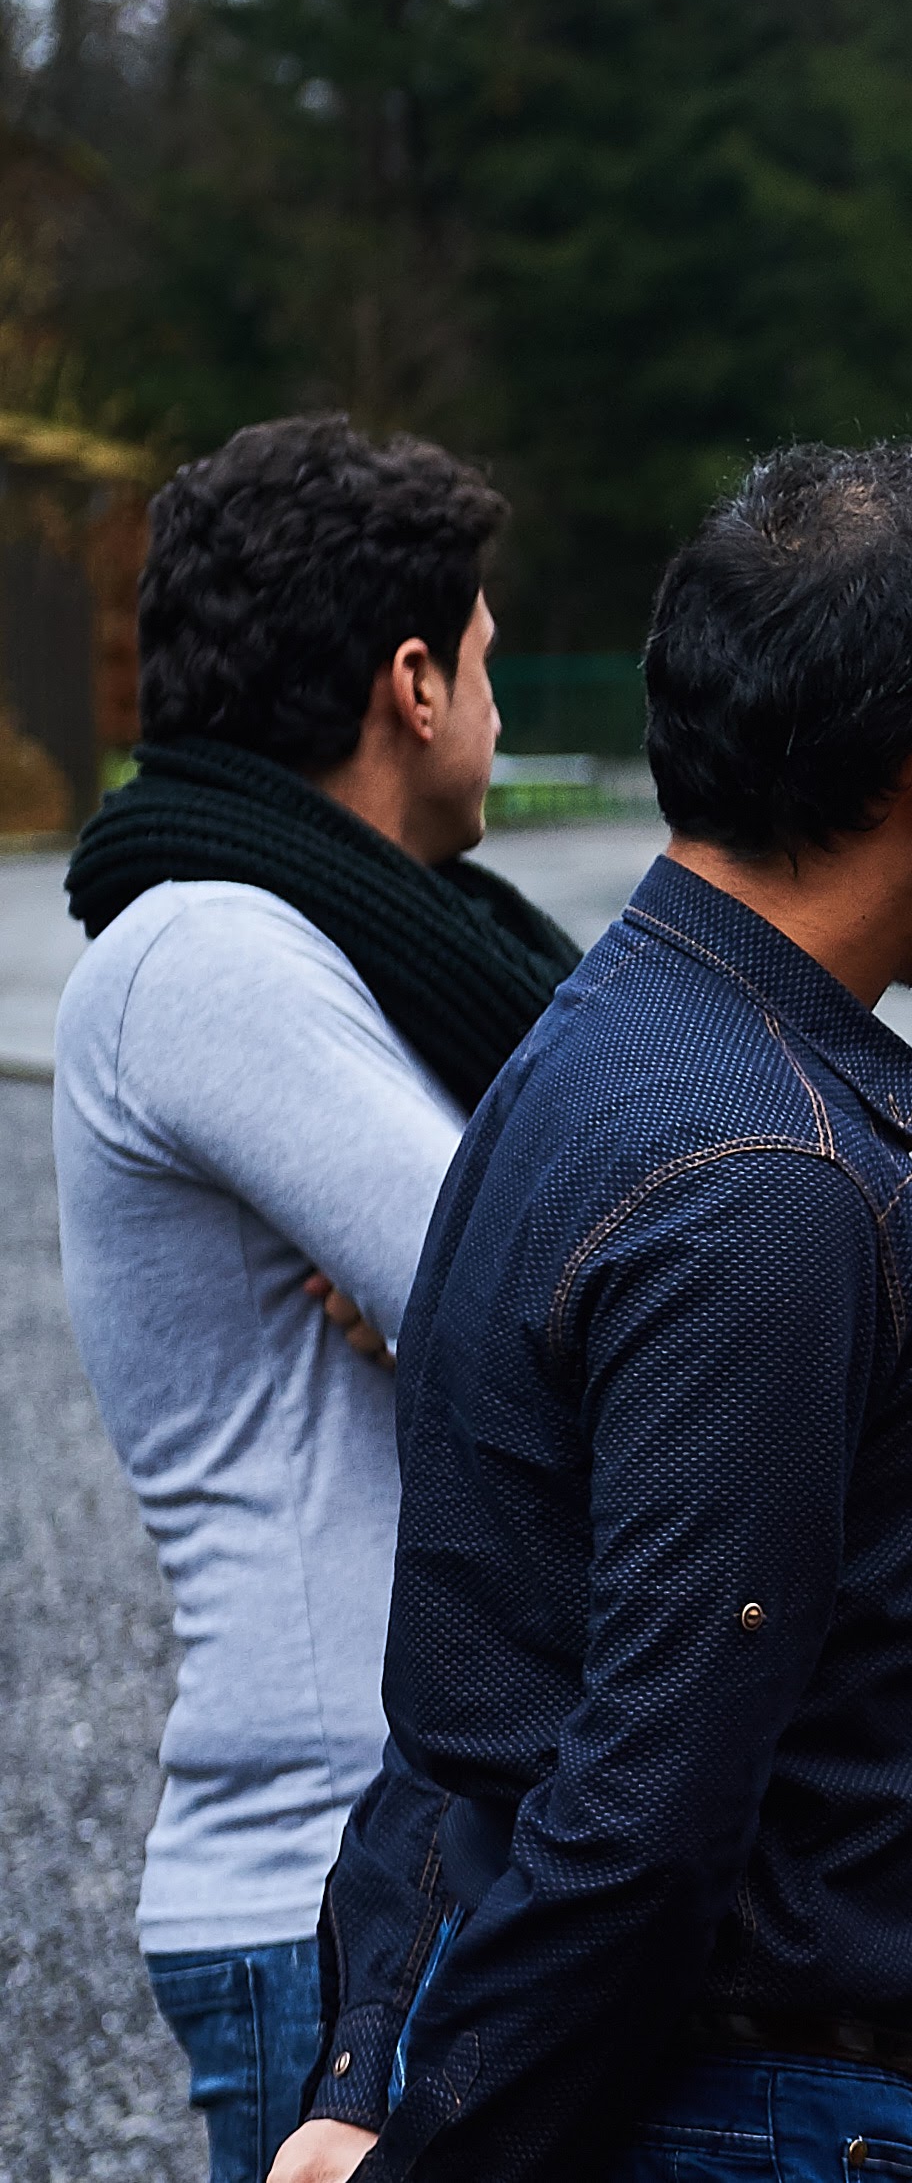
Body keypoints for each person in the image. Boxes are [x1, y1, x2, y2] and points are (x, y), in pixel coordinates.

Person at [276, 443, 912, 2182]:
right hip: (744, 2119)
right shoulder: (769, 1181)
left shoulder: (581, 1053)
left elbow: (481, 1662)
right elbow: (645, 1812)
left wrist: (369, 2065)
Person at [54, 417, 579, 2183]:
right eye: (488, 659)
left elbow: (495, 1272)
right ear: (412, 683)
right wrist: (488, 1262)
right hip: (331, 1898)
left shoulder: (350, 947)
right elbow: (548, 1304)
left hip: (425, 1885)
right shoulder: (206, 951)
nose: (497, 703)